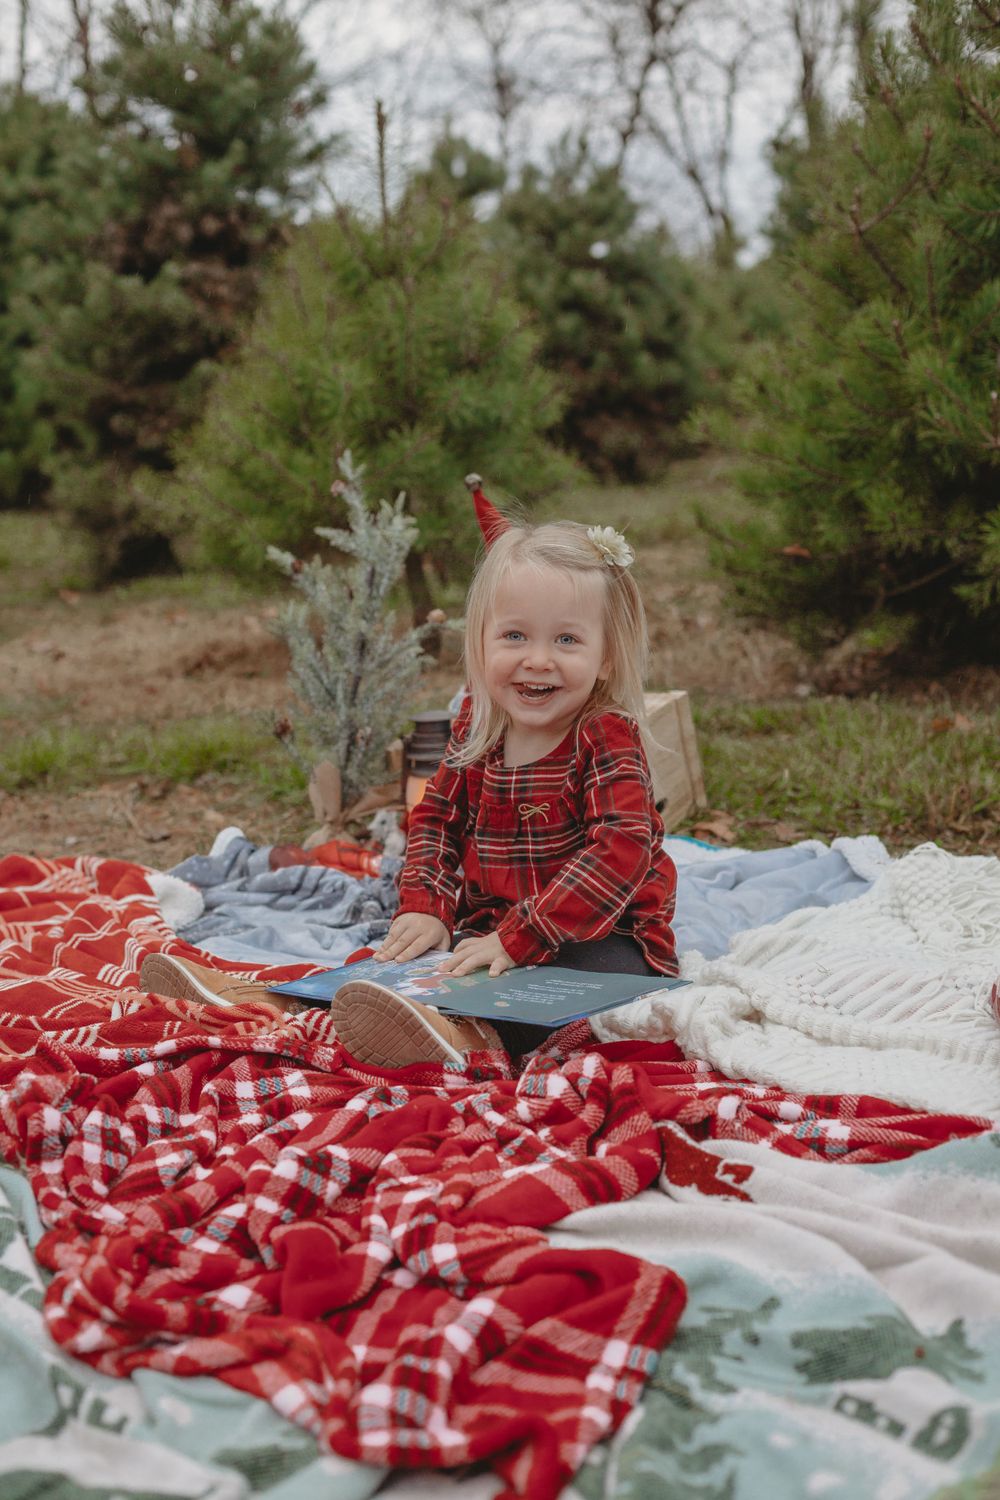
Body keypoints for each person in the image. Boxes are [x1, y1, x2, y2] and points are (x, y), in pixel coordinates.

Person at [329, 506, 678, 1069]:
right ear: (481, 642)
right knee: (405, 958)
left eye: (567, 639)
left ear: (606, 658)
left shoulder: (602, 735)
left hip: (603, 934)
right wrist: (426, 908)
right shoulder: (479, 725)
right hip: (495, 929)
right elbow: (436, 820)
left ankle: (469, 1040)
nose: (537, 660)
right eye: (514, 635)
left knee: (565, 993)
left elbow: (620, 849)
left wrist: (522, 938)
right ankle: (291, 1004)